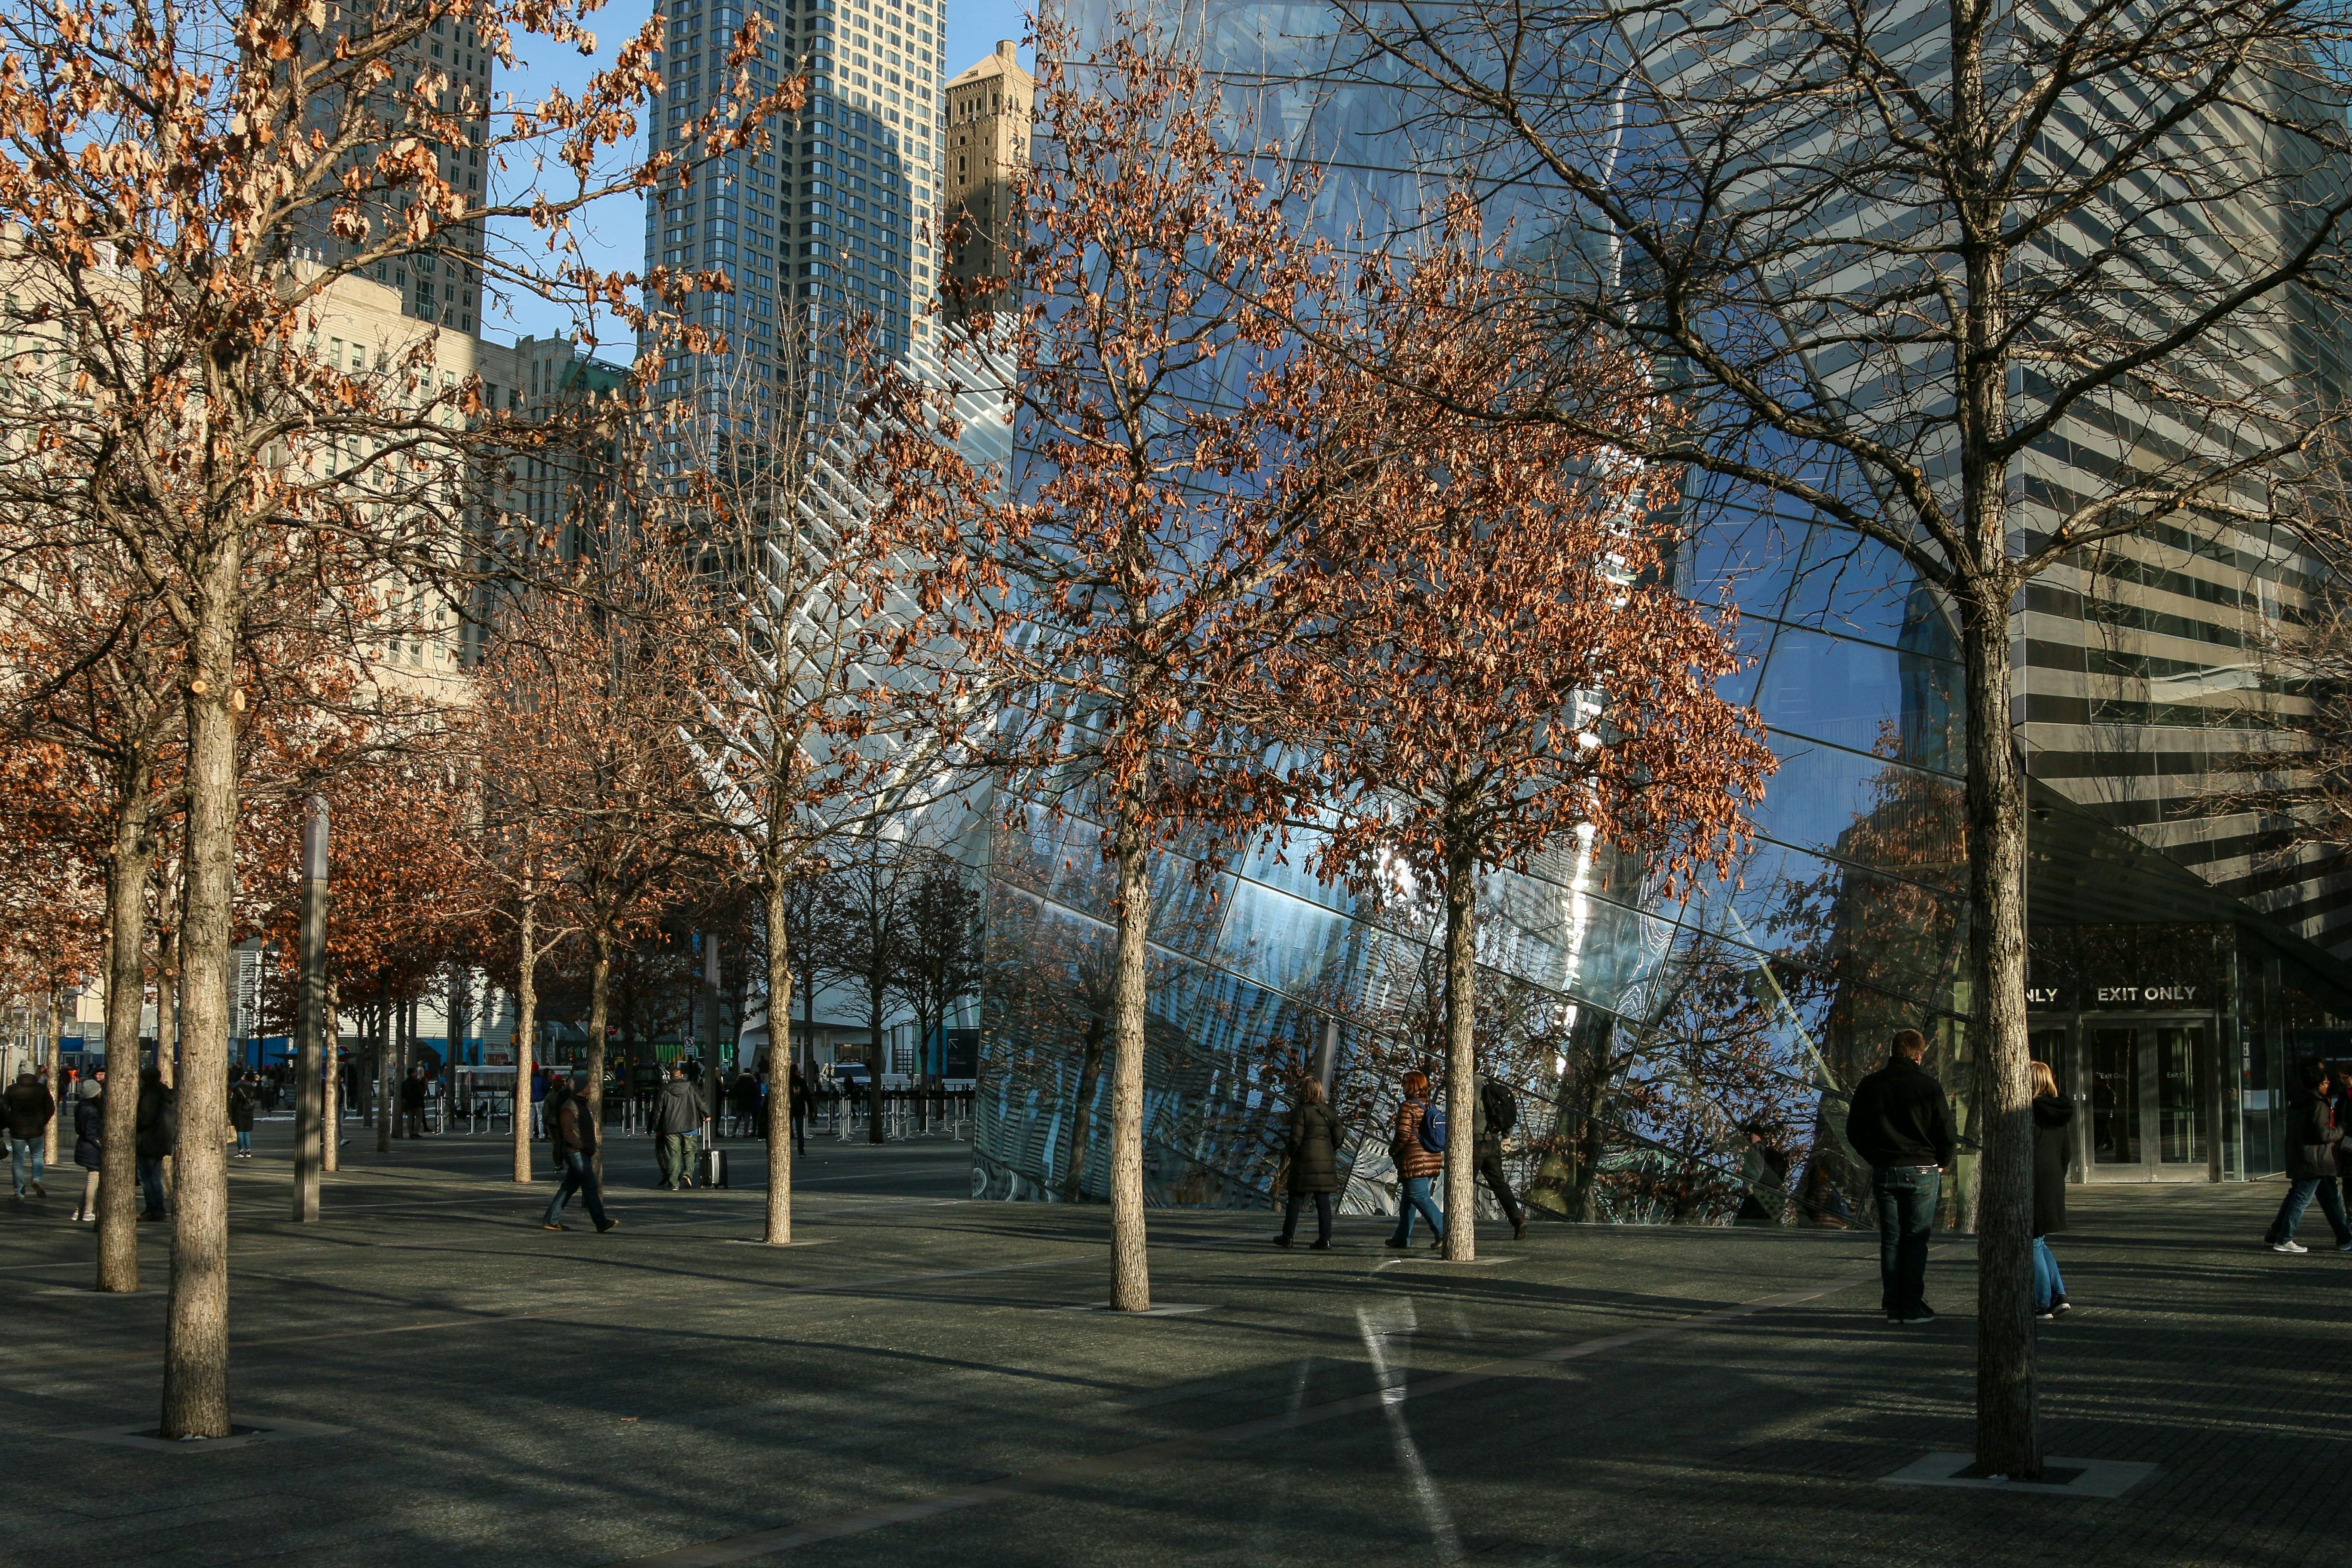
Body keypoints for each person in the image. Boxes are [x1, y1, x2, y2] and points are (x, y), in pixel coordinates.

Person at [1844, 1028, 1957, 1323]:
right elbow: (1946, 1131)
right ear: (1919, 1054)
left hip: (1886, 1168)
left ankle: (1893, 1303)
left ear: (1892, 1051)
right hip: (1922, 1167)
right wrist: (1942, 1160)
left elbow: (1854, 1130)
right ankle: (1912, 1304)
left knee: (1892, 1239)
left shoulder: (1871, 1085)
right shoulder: (1929, 1086)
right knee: (1916, 1239)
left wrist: (1875, 1157)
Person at [2263, 1057, 2348, 1253]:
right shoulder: (2318, 1103)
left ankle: (2278, 1233)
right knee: (2302, 1198)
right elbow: (2323, 1134)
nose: (2328, 1085)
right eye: (2326, 1082)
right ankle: (2284, 1238)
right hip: (2315, 1159)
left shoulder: (2299, 1099)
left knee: (2308, 1196)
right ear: (2319, 1083)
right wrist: (2341, 1129)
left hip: (2305, 1157)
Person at [542, 1076, 618, 1232]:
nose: (590, 1086)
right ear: (580, 1088)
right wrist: (582, 1146)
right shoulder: (570, 1107)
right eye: (587, 1084)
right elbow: (567, 1133)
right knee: (589, 1186)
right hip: (576, 1152)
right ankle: (600, 1221)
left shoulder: (580, 1104)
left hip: (580, 1151)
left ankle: (551, 1219)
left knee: (569, 1187)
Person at [1274, 1078, 1341, 1249]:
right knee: (1323, 1202)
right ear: (1320, 1091)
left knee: (1295, 1199)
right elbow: (1340, 1136)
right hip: (1325, 1163)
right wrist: (1328, 1150)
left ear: (1304, 1091)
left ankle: (1287, 1237)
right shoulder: (1330, 1111)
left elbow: (1296, 1139)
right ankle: (1325, 1239)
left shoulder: (1301, 1111)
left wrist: (1293, 1153)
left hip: (1304, 1161)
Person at [2030, 1060, 2074, 1318]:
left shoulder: (2028, 1113)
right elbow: (2065, 1153)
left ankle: (2042, 1302)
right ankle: (2058, 1295)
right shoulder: (2059, 1113)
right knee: (2038, 1240)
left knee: (2032, 1242)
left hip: (2034, 1183)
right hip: (2053, 1183)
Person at [1386, 1069, 1446, 1250]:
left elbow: (1403, 1134)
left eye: (1405, 1082)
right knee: (1408, 1200)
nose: (1403, 1086)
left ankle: (1444, 1231)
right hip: (1431, 1158)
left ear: (1412, 1085)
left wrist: (1393, 1151)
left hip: (1415, 1160)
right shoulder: (1430, 1105)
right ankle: (1402, 1237)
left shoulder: (1408, 1106)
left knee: (1418, 1196)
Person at [1471, 1070, 1527, 1240]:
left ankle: (1452, 1228)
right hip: (1494, 1142)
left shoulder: (1465, 1086)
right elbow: (1505, 1109)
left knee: (1464, 1186)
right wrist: (1506, 1138)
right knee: (1500, 1184)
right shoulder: (1491, 1084)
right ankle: (1518, 1218)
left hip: (1474, 1143)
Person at [5, 1069, 55, 1199]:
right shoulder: (42, 1089)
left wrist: (10, 1122)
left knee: (18, 1161)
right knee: (37, 1157)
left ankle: (19, 1193)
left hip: (17, 1130)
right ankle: (37, 1179)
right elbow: (51, 1108)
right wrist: (42, 1122)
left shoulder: (12, 1090)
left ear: (20, 1074)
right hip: (36, 1129)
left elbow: (4, 1109)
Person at [134, 1066, 176, 1220]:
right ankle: (157, 1208)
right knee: (155, 1176)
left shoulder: (151, 1094)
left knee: (147, 1177)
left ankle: (154, 1209)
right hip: (161, 1140)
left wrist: (135, 1120)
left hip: (149, 1140)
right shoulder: (166, 1094)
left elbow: (145, 1118)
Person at [652, 1062, 702, 1190]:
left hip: (671, 1127)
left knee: (673, 1155)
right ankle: (688, 1174)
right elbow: (700, 1102)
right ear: (682, 1076)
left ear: (670, 1077)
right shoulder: (691, 1087)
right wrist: (707, 1115)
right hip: (690, 1125)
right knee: (690, 1152)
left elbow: (658, 1111)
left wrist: (657, 1128)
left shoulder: (665, 1090)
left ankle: (674, 1183)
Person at [71, 1078, 104, 1222]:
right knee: (93, 1179)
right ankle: (87, 1211)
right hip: (91, 1149)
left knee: (92, 1180)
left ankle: (79, 1211)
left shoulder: (81, 1107)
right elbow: (92, 1134)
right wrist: (102, 1145)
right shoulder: (91, 1111)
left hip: (85, 1147)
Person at [228, 1074, 256, 1159]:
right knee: (247, 1132)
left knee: (240, 1132)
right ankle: (248, 1151)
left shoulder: (238, 1088)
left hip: (239, 1111)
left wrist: (231, 1112)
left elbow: (234, 1102)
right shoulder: (252, 1088)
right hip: (249, 1111)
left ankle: (241, 1151)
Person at [399, 1066, 428, 1139]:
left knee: (410, 1118)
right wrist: (423, 1092)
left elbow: (403, 1094)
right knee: (419, 1117)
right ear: (412, 1074)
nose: (416, 1074)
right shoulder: (415, 1082)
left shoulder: (405, 1083)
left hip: (409, 1102)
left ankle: (411, 1133)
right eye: (415, 1072)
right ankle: (415, 1132)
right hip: (417, 1102)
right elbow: (419, 1092)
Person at [790, 1063, 810, 1155]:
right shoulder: (801, 1081)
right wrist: (811, 1109)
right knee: (800, 1129)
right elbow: (807, 1095)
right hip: (799, 1106)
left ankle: (785, 1150)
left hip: (788, 1107)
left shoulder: (787, 1081)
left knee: (785, 1129)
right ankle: (801, 1150)